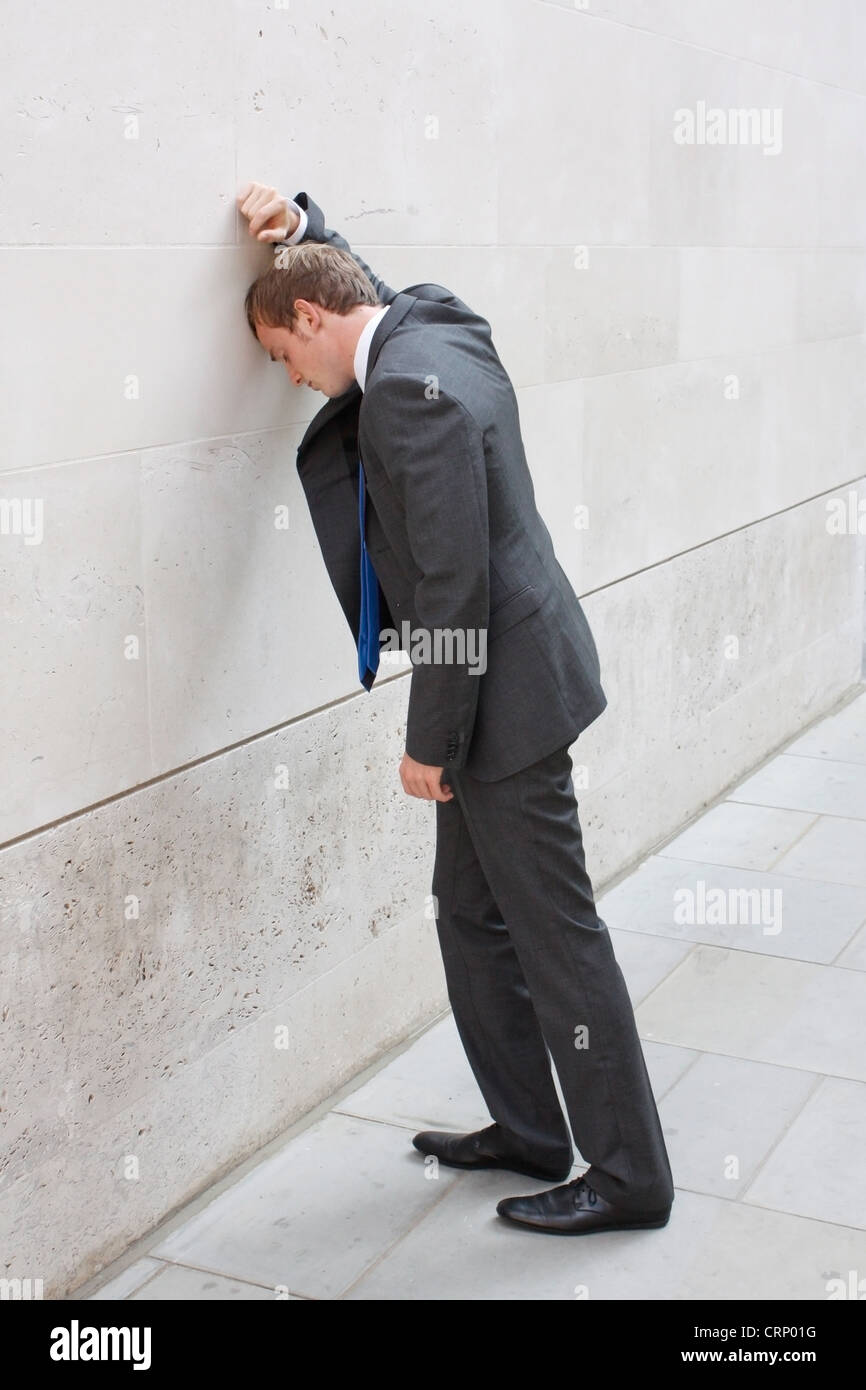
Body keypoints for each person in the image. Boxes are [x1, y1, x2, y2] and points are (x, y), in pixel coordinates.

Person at [236, 181, 674, 1234]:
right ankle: (527, 1127)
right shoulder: (432, 318)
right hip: (519, 670)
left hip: (500, 703)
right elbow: (358, 293)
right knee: (471, 916)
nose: (291, 382)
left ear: (306, 320)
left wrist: (428, 744)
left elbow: (450, 580)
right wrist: (302, 235)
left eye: (281, 357)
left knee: (554, 935)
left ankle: (626, 1178)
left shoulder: (404, 394)